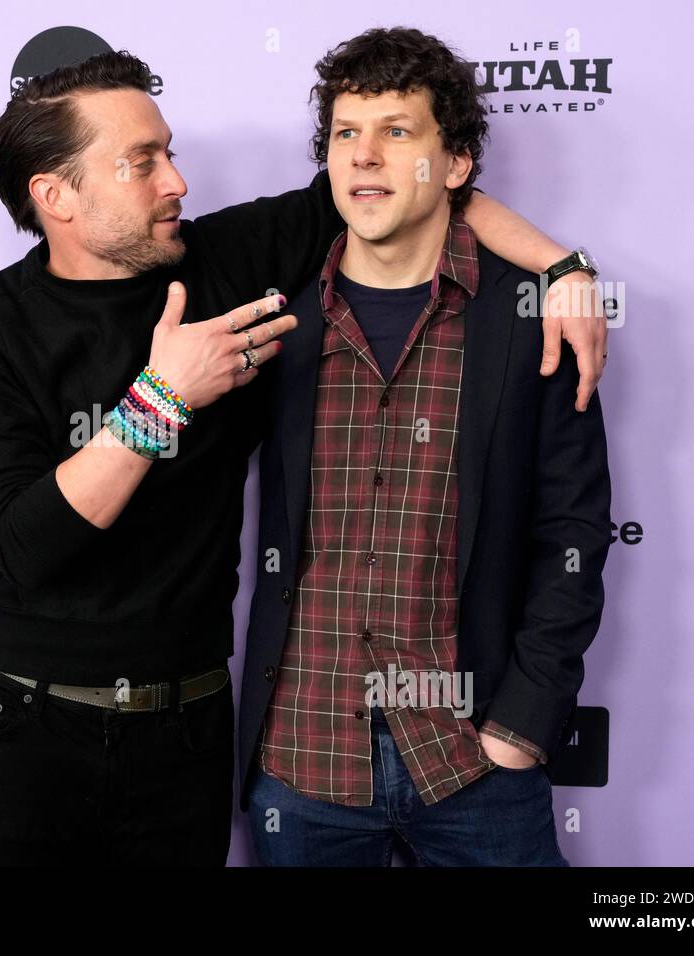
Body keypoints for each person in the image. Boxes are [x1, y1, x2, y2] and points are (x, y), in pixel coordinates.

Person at [0, 48, 606, 865]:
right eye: (142, 163)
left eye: (169, 151)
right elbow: (23, 543)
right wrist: (161, 396)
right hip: (29, 728)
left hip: (190, 734)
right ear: (56, 194)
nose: (177, 180)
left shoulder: (225, 264)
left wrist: (562, 266)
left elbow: (405, 187)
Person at [239, 27, 612, 866]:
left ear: (456, 164)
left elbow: (574, 532)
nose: (365, 156)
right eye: (346, 134)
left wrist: (522, 725)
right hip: (302, 768)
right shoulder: (275, 323)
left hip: (472, 763)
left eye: (397, 132)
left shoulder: (530, 320)